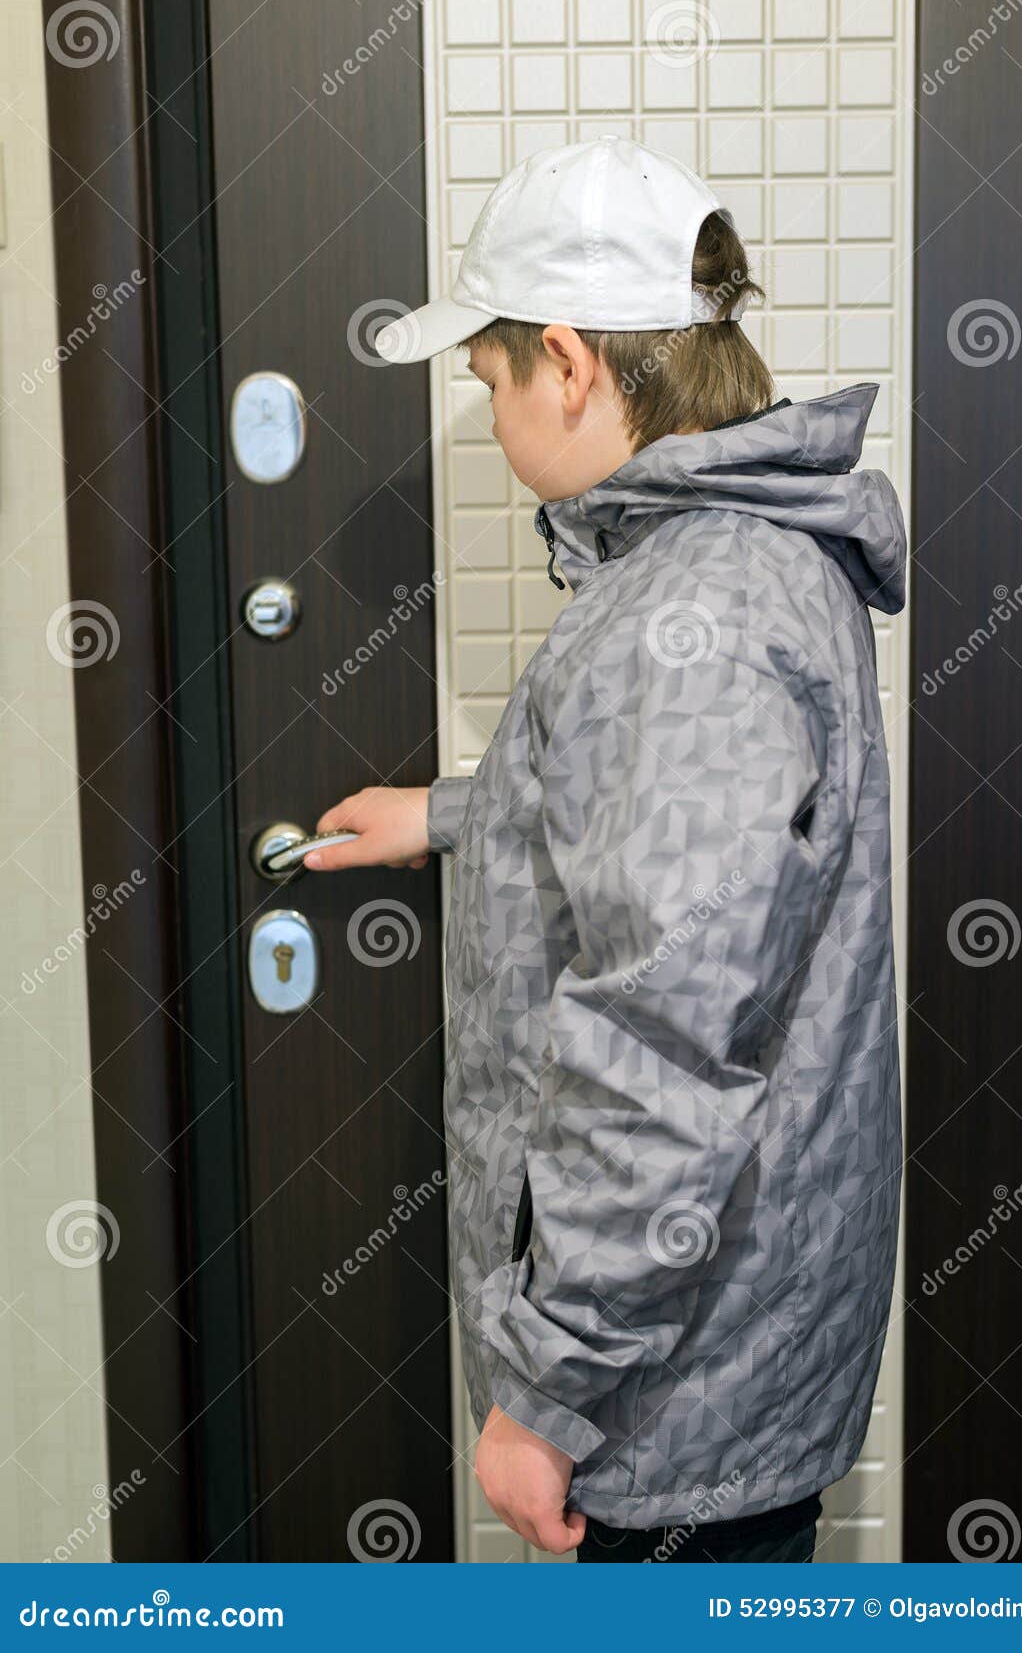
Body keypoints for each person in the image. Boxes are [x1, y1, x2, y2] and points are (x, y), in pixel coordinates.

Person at [305, 137, 905, 1564]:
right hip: (707, 1371)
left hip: (661, 1411)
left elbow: (665, 1041)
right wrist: (453, 816)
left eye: (492, 374)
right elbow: (684, 852)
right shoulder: (734, 565)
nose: (491, 404)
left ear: (568, 364)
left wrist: (549, 1392)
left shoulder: (684, 623)